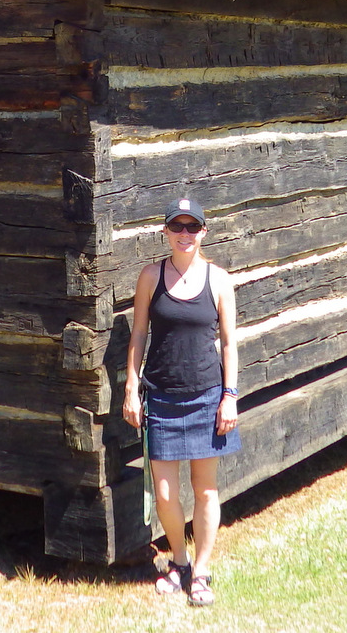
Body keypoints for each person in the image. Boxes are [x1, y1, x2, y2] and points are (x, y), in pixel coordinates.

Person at [121, 197, 239, 608]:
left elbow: (228, 343)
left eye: (192, 227)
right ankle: (180, 561)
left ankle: (202, 572)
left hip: (208, 394)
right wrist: (130, 388)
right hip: (162, 395)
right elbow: (137, 335)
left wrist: (229, 396)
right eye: (177, 227)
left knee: (205, 490)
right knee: (166, 493)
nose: (185, 235)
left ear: (204, 232)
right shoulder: (150, 277)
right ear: (165, 232)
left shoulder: (220, 280)